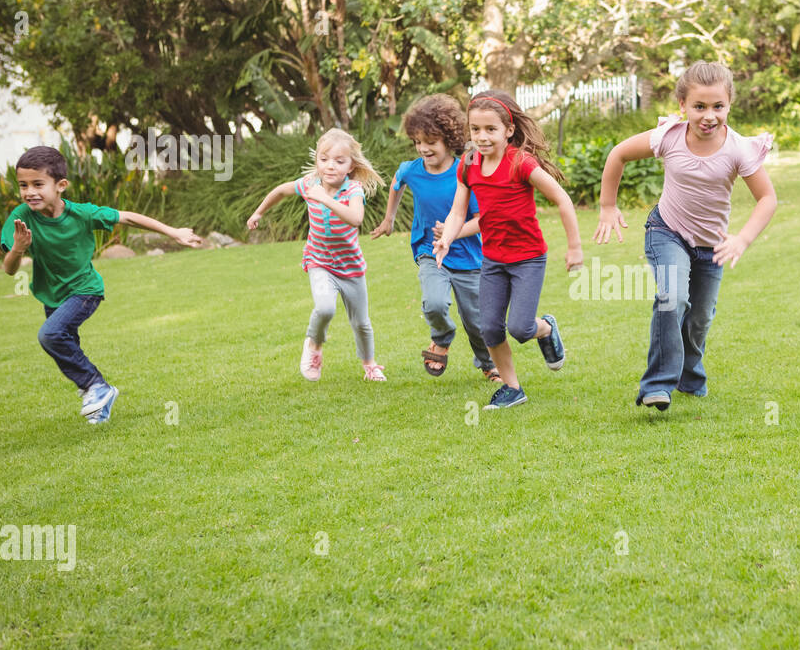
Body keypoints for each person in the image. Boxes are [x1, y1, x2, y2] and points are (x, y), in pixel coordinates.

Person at [595, 60, 776, 411]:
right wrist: (607, 205)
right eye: (699, 106)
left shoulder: (738, 149)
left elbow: (767, 198)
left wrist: (742, 239)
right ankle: (657, 386)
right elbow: (618, 154)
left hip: (712, 246)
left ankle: (690, 376)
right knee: (672, 297)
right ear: (682, 106)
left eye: (718, 106)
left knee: (700, 318)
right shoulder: (669, 137)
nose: (709, 115)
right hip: (667, 231)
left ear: (729, 105)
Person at [0, 145, 203, 423]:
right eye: (23, 185)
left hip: (85, 290)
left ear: (60, 185)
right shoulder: (20, 218)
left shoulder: (82, 214)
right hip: (52, 296)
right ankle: (100, 405)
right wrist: (19, 249)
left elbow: (128, 217)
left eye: (38, 184)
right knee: (64, 346)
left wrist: (173, 232)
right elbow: (9, 270)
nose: (29, 192)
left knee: (49, 335)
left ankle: (97, 386)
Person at [433, 90, 583, 410]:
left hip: (528, 258)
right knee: (489, 327)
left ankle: (545, 329)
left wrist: (574, 248)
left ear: (508, 130)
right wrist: (448, 235)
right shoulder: (469, 163)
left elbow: (562, 199)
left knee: (519, 327)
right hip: (493, 259)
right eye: (475, 130)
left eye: (491, 129)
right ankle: (512, 388)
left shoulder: (520, 162)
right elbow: (460, 211)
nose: (482, 137)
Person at [370, 94, 500, 385]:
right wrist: (389, 218)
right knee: (434, 304)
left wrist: (455, 232)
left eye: (430, 141)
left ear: (449, 138)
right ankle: (441, 338)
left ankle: (489, 364)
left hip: (469, 257)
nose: (423, 148)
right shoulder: (412, 170)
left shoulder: (465, 173)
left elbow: (483, 221)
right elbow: (396, 181)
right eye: (417, 141)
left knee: (477, 322)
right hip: (430, 251)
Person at [248, 128, 388, 380]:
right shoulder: (309, 185)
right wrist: (259, 212)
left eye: (339, 161)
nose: (330, 166)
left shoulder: (352, 189)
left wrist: (325, 199)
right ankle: (314, 345)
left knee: (362, 323)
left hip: (351, 267)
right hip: (319, 261)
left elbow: (356, 219)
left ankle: (370, 366)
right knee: (325, 308)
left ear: (350, 165)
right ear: (317, 161)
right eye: (324, 160)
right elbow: (280, 190)